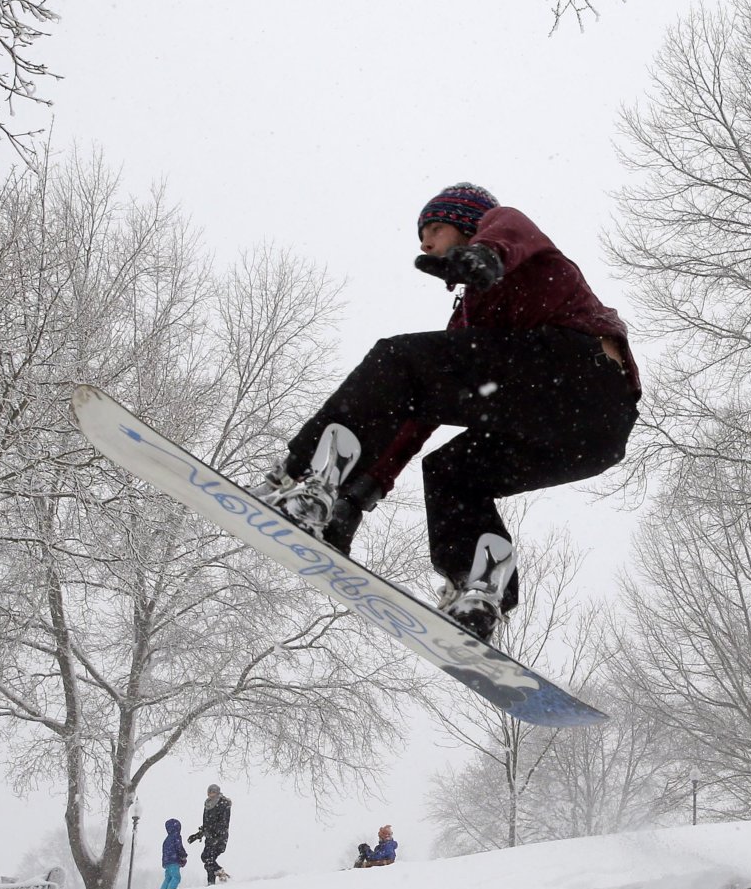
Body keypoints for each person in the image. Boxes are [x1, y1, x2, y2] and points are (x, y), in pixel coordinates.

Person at [257, 183, 642, 643]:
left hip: (577, 370)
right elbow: (415, 417)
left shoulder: (509, 238)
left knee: (395, 359)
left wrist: (486, 254)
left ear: (466, 223)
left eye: (434, 228)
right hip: (588, 435)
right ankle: (478, 588)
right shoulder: (470, 324)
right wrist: (358, 499)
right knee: (452, 471)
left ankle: (304, 479)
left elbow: (507, 225)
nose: (424, 242)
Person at [187, 784, 232, 885]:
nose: (211, 794)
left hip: (219, 836)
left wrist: (214, 832)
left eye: (213, 792)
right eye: (209, 792)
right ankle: (212, 882)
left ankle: (217, 876)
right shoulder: (208, 804)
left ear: (217, 792)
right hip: (210, 837)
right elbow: (206, 823)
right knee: (207, 859)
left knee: (208, 858)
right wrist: (198, 834)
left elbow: (224, 822)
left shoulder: (223, 803)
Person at [159, 818, 187, 889]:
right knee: (176, 877)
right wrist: (183, 856)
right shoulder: (176, 836)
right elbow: (179, 847)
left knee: (168, 878)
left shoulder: (166, 839)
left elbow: (166, 851)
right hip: (173, 861)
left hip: (167, 862)